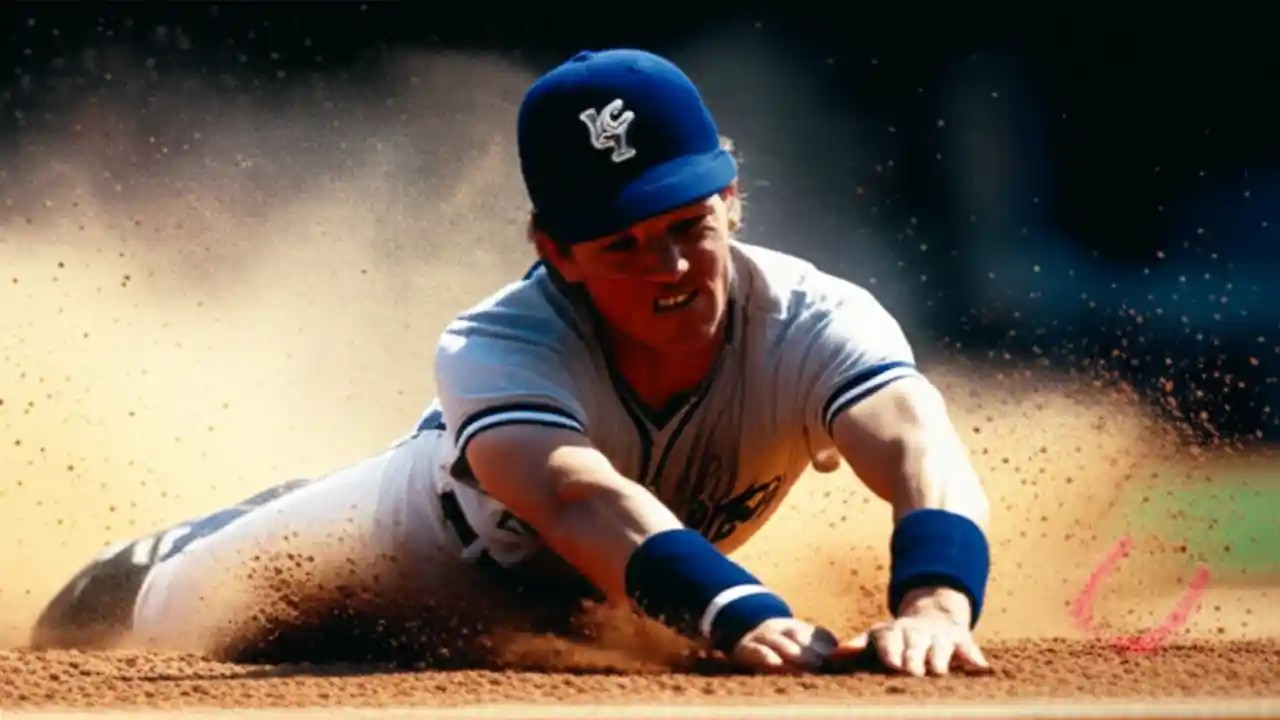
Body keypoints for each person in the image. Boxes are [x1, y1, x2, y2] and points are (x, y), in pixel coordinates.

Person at [31, 48, 992, 677]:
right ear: (555, 251)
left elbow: (918, 442)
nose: (666, 266)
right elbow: (578, 498)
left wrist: (938, 600)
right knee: (143, 611)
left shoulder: (812, 317)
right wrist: (734, 609)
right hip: (379, 563)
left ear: (733, 199)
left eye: (687, 226)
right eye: (619, 245)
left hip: (570, 605)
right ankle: (162, 551)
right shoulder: (499, 341)